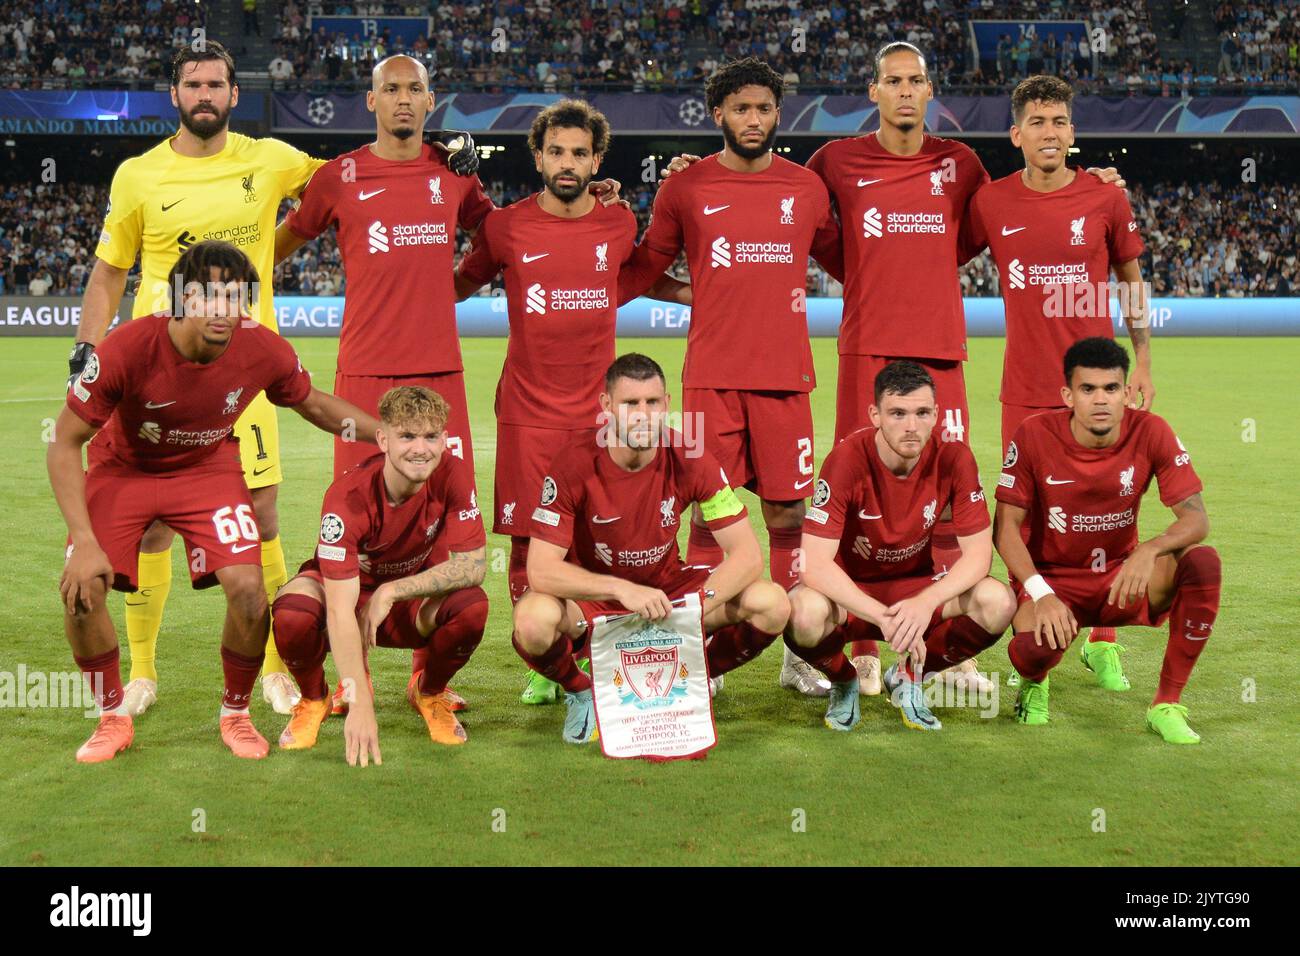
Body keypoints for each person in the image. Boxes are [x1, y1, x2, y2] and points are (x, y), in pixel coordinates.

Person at [73, 41, 479, 718]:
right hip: (150, 372)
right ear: (175, 95)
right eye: (192, 84)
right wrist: (88, 346)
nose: (204, 94)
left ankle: (271, 669)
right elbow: (110, 269)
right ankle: (142, 672)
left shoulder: (270, 159)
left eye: (216, 84)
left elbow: (368, 171)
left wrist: (444, 150)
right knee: (151, 530)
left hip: (244, 371)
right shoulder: (137, 176)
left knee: (259, 517)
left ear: (234, 95)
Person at [48, 241, 380, 763]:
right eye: (208, 296)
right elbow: (64, 442)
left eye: (235, 297)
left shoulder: (261, 348)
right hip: (123, 471)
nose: (224, 309)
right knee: (82, 588)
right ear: (179, 299)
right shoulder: (126, 348)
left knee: (249, 589)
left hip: (206, 468)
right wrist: (85, 542)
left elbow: (313, 404)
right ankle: (112, 716)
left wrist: (385, 434)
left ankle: (236, 714)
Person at [619, 56, 841, 698]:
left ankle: (800, 649)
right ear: (717, 114)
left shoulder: (806, 189)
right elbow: (640, 269)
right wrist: (687, 292)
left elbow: (851, 258)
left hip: (785, 377)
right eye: (740, 108)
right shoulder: (685, 188)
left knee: (787, 509)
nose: (753, 119)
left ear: (779, 114)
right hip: (711, 378)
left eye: (764, 108)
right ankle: (699, 648)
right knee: (709, 514)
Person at [454, 97, 687, 706]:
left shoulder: (616, 223)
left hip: (597, 418)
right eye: (555, 151)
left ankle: (597, 646)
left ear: (596, 160)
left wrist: (704, 291)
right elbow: (457, 281)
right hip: (528, 416)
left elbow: (639, 276)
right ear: (537, 156)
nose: (566, 162)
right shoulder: (505, 227)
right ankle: (545, 662)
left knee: (588, 537)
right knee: (528, 543)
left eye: (578, 153)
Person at [964, 75, 1154, 683]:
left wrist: (1143, 359)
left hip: (1097, 384)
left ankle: (1103, 636)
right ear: (1016, 134)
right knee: (1022, 519)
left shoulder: (1105, 199)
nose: (1051, 132)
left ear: (1073, 134)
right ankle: (1035, 666)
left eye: (1061, 122)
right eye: (1039, 122)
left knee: (1108, 507)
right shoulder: (990, 202)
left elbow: (1130, 279)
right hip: (1024, 387)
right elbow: (932, 250)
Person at [512, 354, 790, 744]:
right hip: (596, 606)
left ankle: (693, 672)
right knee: (532, 619)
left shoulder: (690, 456)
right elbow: (541, 571)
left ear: (667, 405)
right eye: (630, 404)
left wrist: (692, 605)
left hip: (666, 594)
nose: (643, 415)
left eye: (652, 403)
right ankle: (581, 690)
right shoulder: (574, 462)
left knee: (771, 602)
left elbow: (747, 556)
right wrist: (620, 590)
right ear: (607, 407)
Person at [994, 338, 1219, 744]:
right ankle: (1034, 682)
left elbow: (1197, 518)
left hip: (1119, 578)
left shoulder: (1152, 431)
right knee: (1030, 652)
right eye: (1088, 389)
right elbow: (1005, 528)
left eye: (1112, 389)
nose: (1101, 400)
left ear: (1127, 392)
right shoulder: (1033, 435)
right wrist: (1040, 592)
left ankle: (1166, 704)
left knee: (1201, 562)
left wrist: (1150, 550)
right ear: (1068, 395)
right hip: (1054, 580)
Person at [787, 361, 1015, 732]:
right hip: (853, 596)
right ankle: (844, 680)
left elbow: (979, 556)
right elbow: (813, 564)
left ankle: (911, 674)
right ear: (875, 414)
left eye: (922, 413)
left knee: (998, 601)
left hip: (916, 591)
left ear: (936, 414)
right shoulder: (846, 460)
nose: (912, 426)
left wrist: (927, 601)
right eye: (898, 413)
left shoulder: (955, 459)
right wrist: (882, 615)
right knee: (801, 612)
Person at [271, 387, 488, 761]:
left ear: (444, 440)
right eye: (407, 436)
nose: (420, 448)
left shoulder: (452, 473)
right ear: (383, 440)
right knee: (292, 612)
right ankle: (314, 698)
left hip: (401, 607)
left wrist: (390, 592)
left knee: (471, 607)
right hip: (345, 602)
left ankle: (429, 691)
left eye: (431, 436)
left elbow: (474, 564)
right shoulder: (347, 497)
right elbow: (340, 610)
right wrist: (360, 704)